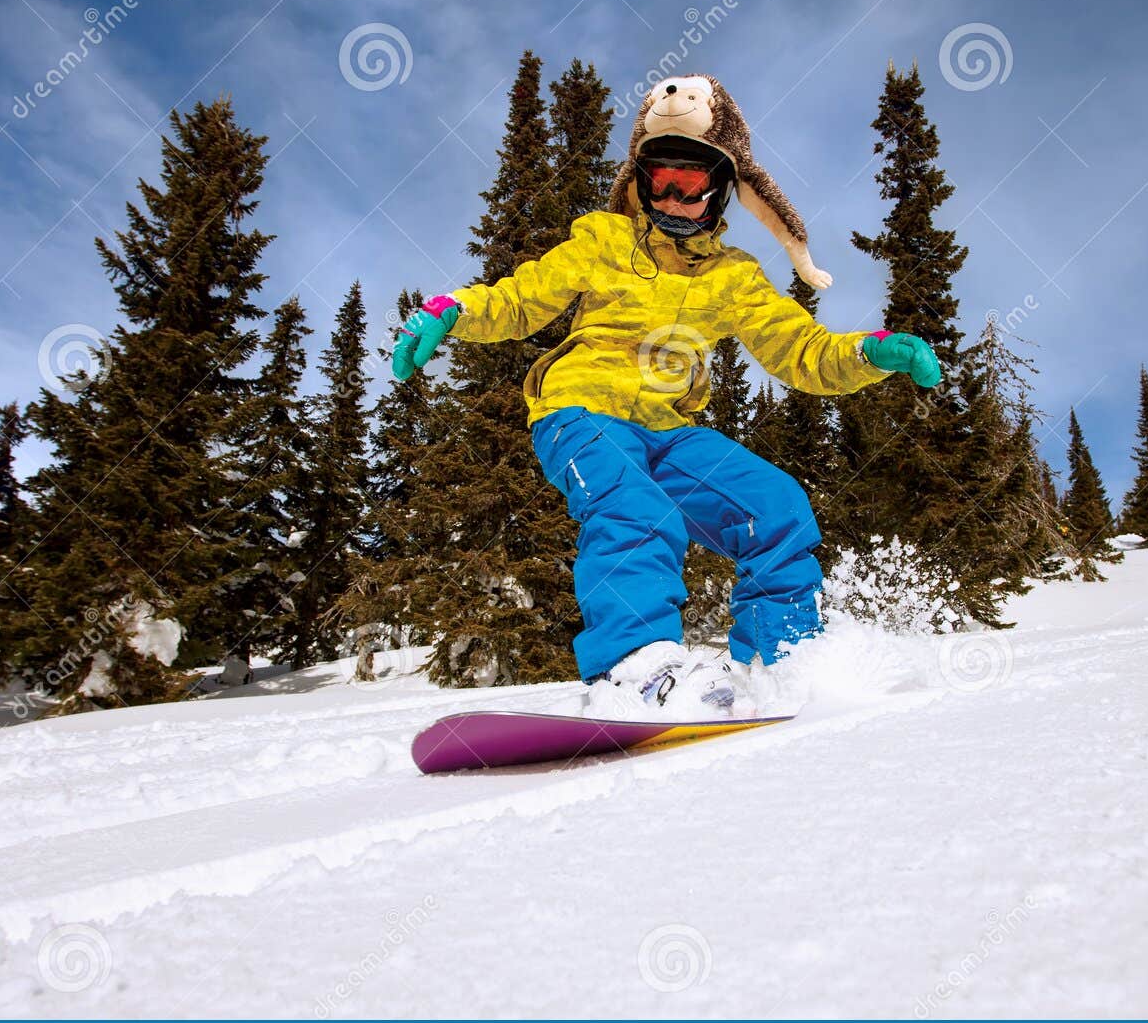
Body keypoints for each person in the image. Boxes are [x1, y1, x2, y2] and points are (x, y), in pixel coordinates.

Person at [392, 92, 940, 721]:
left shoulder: (733, 276)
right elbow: (522, 299)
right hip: (581, 412)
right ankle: (635, 669)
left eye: (692, 184)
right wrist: (456, 310)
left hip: (667, 431)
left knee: (775, 504)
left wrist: (871, 353)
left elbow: (802, 353)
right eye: (661, 182)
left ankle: (780, 662)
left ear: (721, 190)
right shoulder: (602, 240)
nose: (674, 200)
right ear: (640, 183)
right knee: (634, 508)